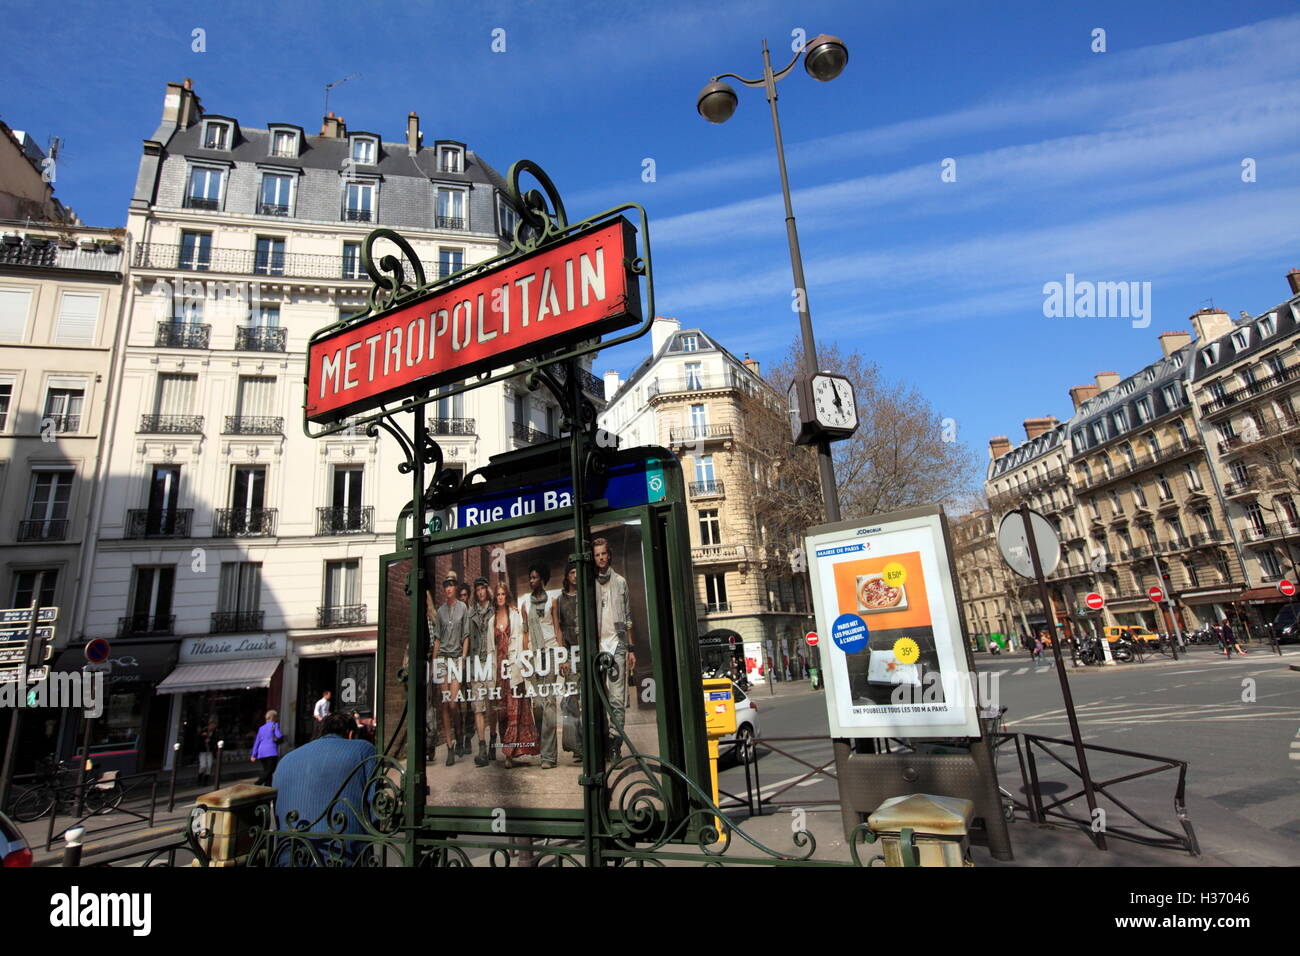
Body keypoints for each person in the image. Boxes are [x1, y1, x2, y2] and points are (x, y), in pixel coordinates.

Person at [271, 712, 378, 866]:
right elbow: (376, 810)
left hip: (289, 856)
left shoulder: (286, 759)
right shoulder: (363, 749)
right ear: (350, 734)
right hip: (342, 857)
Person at [593, 536, 634, 762]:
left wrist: (631, 648)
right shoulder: (589, 583)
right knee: (601, 697)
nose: (601, 558)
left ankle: (616, 745)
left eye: (603, 553)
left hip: (617, 644)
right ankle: (601, 743)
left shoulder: (620, 582)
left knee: (618, 698)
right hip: (598, 646)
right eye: (597, 554)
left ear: (609, 555)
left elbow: (628, 618)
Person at [520, 563, 563, 770]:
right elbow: (525, 633)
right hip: (535, 655)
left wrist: (563, 655)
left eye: (535, 577)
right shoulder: (525, 604)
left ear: (542, 579)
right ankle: (542, 744)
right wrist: (526, 657)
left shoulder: (552, 602)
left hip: (551, 652)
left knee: (549, 703)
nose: (532, 581)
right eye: (530, 578)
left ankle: (548, 756)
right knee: (537, 704)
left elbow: (556, 628)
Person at [494, 581, 539, 767]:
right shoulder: (492, 619)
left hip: (513, 667)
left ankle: (509, 755)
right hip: (499, 670)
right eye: (497, 595)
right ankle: (507, 748)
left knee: (515, 709)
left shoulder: (515, 615)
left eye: (503, 594)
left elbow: (522, 640)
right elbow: (492, 647)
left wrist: (523, 666)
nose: (500, 597)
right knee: (502, 712)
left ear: (507, 595)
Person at [433, 576, 469, 766]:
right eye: (445, 585)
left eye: (451, 585)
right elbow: (437, 639)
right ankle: (449, 747)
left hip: (456, 658)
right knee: (445, 705)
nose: (448, 588)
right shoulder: (440, 611)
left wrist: (463, 658)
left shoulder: (463, 608)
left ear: (456, 587)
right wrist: (433, 662)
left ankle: (459, 730)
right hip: (442, 660)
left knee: (454, 703)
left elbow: (466, 636)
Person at [466, 576, 496, 768]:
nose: (480, 593)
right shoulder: (470, 614)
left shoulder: (495, 610)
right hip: (477, 663)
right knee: (478, 707)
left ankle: (493, 741)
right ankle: (482, 748)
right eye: (477, 590)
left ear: (487, 590)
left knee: (492, 705)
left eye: (482, 589)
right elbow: (467, 641)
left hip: (491, 662)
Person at [556, 561, 583, 764]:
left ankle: (591, 743)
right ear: (566, 576)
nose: (575, 575)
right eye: (571, 572)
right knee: (572, 699)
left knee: (589, 701)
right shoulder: (560, 600)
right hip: (570, 654)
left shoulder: (586, 595)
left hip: (587, 652)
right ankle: (576, 746)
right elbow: (559, 630)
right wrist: (563, 657)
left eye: (577, 571)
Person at [250, 709, 285, 785]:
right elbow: (279, 735)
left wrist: (253, 755)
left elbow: (257, 742)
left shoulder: (261, 728)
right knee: (270, 770)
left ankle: (268, 787)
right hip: (271, 752)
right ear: (274, 717)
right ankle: (258, 782)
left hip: (261, 753)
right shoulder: (274, 725)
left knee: (267, 771)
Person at [197, 717, 218, 785]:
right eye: (211, 725)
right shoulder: (203, 731)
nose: (212, 727)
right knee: (203, 766)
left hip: (210, 751)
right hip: (203, 751)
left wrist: (211, 741)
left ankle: (205, 781)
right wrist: (203, 738)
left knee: (209, 766)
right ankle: (199, 778)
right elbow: (198, 740)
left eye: (214, 726)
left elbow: (216, 741)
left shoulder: (215, 733)